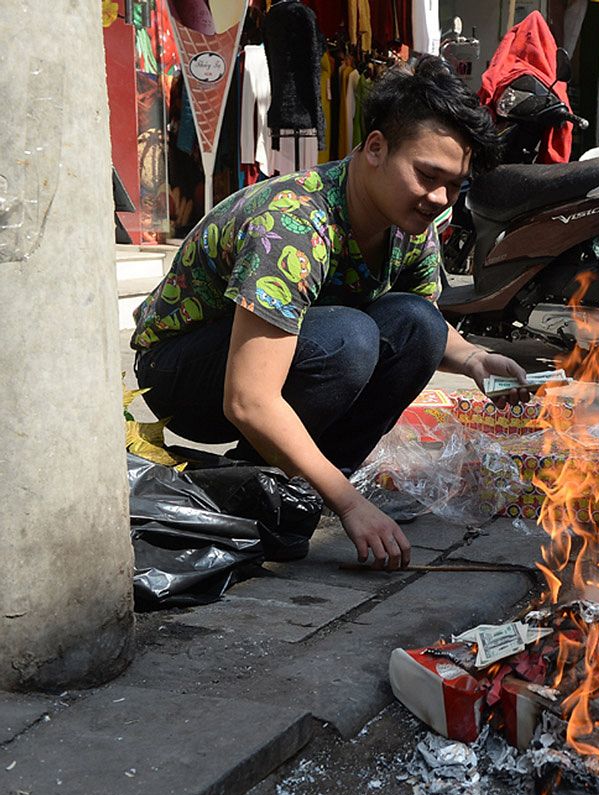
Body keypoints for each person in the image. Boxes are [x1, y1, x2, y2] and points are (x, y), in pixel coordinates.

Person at [131, 57, 529, 570]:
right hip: (179, 373)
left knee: (417, 325)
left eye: (455, 185)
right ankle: (255, 485)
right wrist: (352, 504)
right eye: (428, 176)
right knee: (350, 336)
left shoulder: (408, 223)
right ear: (376, 148)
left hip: (290, 358)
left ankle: (305, 488)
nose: (440, 199)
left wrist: (475, 358)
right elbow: (247, 400)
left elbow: (424, 322)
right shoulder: (295, 222)